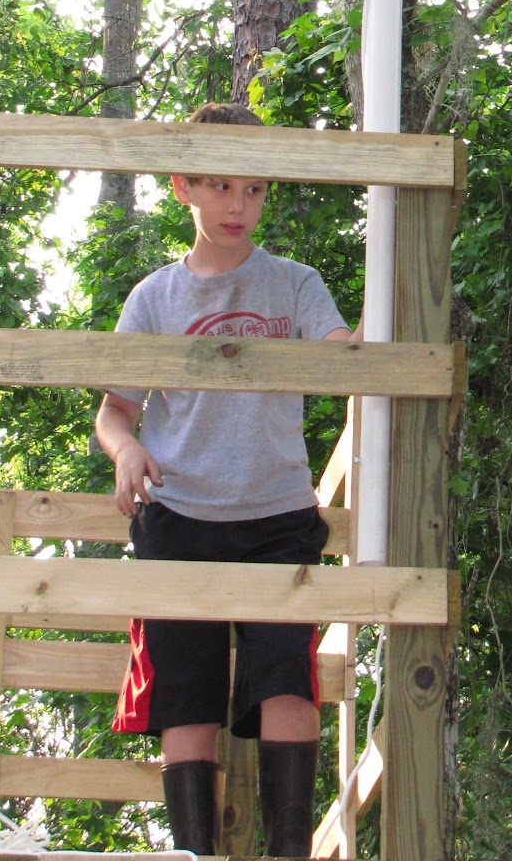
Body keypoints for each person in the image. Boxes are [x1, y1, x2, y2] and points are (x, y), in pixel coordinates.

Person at [95, 101, 356, 859]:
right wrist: (125, 452)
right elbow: (114, 413)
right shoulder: (154, 298)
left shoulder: (295, 285)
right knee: (186, 698)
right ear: (182, 186)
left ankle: (286, 853)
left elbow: (342, 353)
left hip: (276, 517)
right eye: (218, 186)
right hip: (178, 520)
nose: (237, 205)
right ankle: (195, 855)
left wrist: (365, 341)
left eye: (252, 189)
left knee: (287, 686)